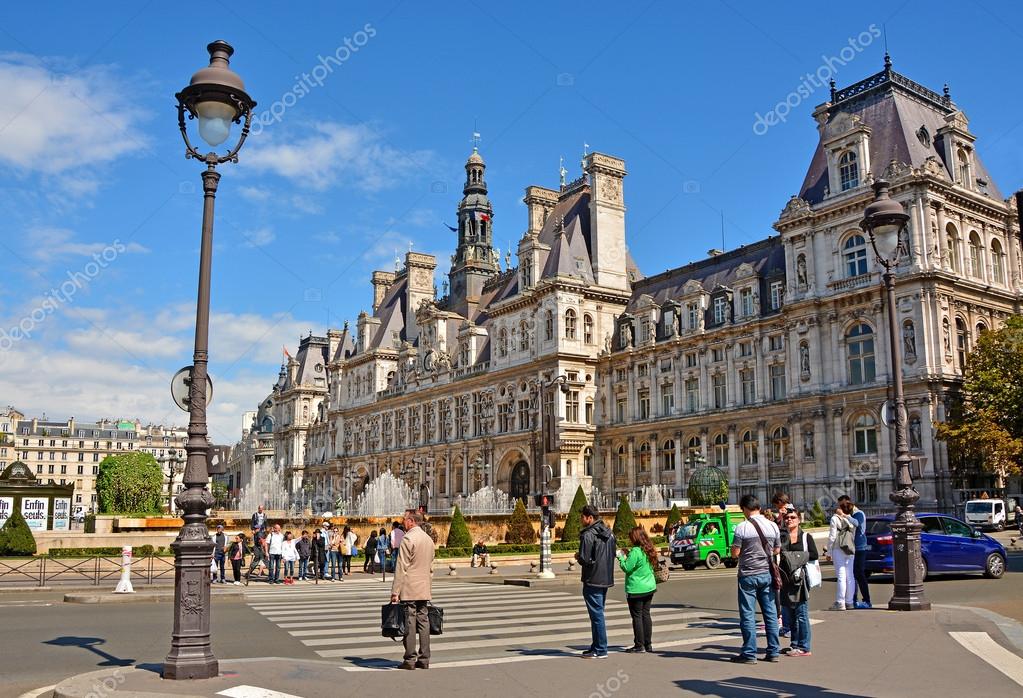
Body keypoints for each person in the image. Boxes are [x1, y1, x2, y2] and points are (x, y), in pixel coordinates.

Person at [730, 494, 781, 664]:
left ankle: (749, 653)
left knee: (748, 615)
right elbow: (777, 550)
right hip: (766, 574)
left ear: (745, 508)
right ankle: (774, 651)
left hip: (747, 575)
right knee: (771, 613)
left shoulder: (742, 528)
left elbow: (735, 553)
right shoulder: (772, 525)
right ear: (758, 507)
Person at [391, 509, 436, 670]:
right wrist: (428, 587)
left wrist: (395, 591)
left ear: (412, 521)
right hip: (423, 587)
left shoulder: (408, 539)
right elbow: (431, 568)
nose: (403, 521)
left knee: (409, 622)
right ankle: (424, 659)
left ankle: (410, 659)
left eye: (404, 519)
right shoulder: (428, 539)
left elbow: (401, 566)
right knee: (424, 621)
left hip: (409, 588)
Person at [576, 504, 616, 659]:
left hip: (592, 578)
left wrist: (577, 557)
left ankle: (601, 649)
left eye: (582, 517)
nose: (581, 520)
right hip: (605, 578)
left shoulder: (588, 535)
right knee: (597, 614)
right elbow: (612, 554)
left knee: (597, 615)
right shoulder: (609, 533)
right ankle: (595, 646)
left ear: (589, 518)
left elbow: (585, 559)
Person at [779, 508, 818, 656]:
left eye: (793, 517)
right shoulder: (782, 536)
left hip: (800, 579)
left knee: (801, 613)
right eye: (787, 517)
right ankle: (794, 644)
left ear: (799, 520)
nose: (789, 520)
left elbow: (814, 554)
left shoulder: (806, 537)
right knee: (790, 614)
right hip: (786, 579)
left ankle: (804, 646)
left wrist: (793, 558)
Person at [617, 525, 658, 653]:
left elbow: (627, 568)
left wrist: (621, 557)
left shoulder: (635, 551)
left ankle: (639, 645)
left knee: (637, 616)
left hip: (636, 589)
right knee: (646, 614)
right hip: (649, 587)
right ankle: (648, 644)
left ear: (634, 538)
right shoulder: (648, 549)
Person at [839, 494, 871, 609]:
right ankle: (854, 599)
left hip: (860, 548)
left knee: (859, 574)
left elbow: (857, 524)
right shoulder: (851, 515)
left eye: (844, 505)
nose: (843, 507)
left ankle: (867, 600)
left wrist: (844, 516)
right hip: (852, 549)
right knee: (853, 575)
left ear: (849, 503)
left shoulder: (859, 514)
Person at [826, 499, 857, 610]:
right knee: (850, 576)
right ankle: (850, 602)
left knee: (841, 576)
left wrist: (829, 551)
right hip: (850, 547)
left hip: (838, 548)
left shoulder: (835, 518)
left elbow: (832, 536)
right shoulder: (851, 520)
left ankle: (840, 602)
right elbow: (856, 526)